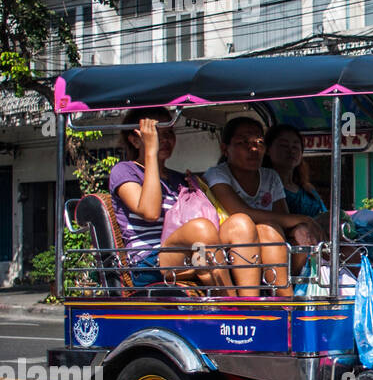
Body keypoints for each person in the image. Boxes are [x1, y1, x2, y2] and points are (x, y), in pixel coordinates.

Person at [108, 108, 261, 294]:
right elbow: (150, 212)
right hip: (149, 262)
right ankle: (232, 305)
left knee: (241, 223)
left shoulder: (178, 178)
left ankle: (250, 307)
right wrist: (150, 153)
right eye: (157, 134)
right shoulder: (125, 171)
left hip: (194, 252)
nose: (165, 140)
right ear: (135, 140)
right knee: (201, 229)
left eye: (169, 133)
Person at [204, 117, 323, 297]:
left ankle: (286, 301)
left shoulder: (270, 177)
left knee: (274, 231)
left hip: (269, 243)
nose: (253, 149)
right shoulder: (217, 174)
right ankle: (259, 301)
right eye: (243, 142)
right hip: (230, 244)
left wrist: (301, 227)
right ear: (225, 149)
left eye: (259, 142)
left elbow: (282, 219)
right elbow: (240, 211)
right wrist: (301, 218)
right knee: (248, 224)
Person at [264, 124, 327, 219]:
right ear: (267, 150)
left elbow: (325, 215)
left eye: (295, 146)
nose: (291, 151)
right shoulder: (264, 188)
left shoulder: (307, 189)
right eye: (284, 145)